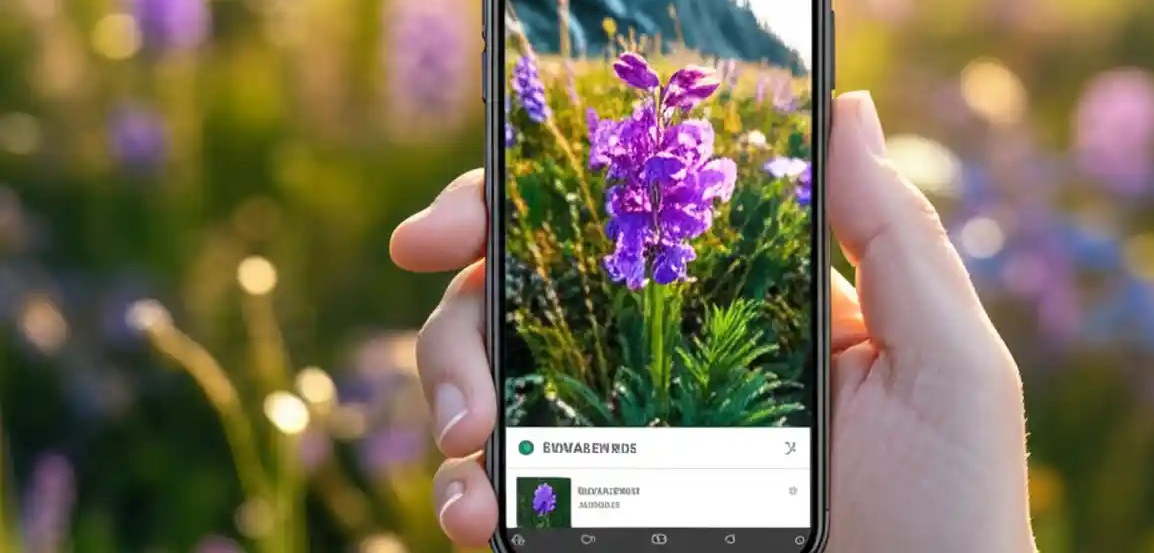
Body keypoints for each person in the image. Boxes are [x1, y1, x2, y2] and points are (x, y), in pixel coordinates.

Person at [390, 91, 1038, 552]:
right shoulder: (635, 197)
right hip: (641, 240)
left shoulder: (685, 192)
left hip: (658, 242)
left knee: (658, 333)